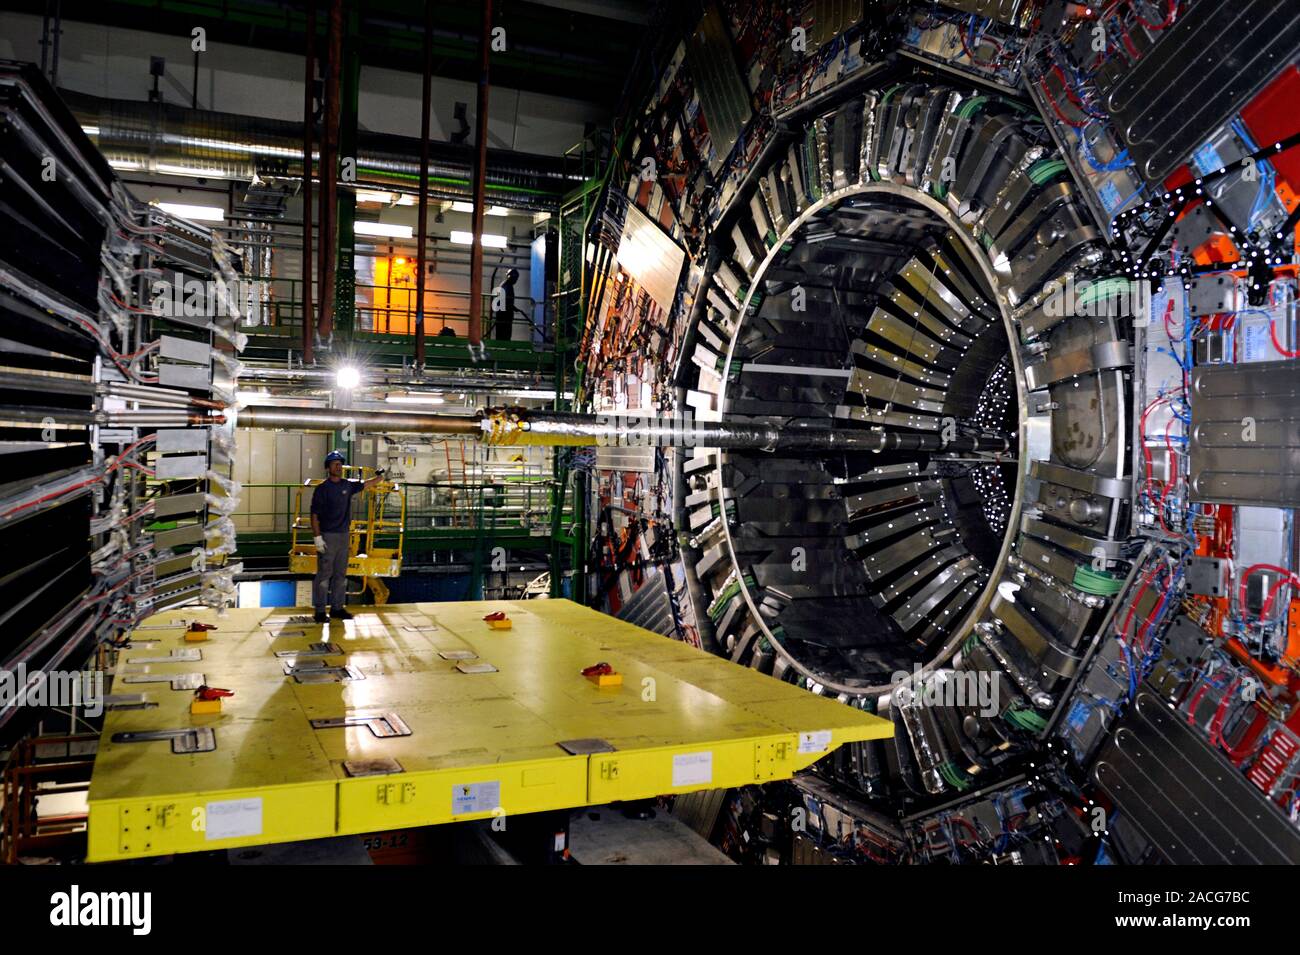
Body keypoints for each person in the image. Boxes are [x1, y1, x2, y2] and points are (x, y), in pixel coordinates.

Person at [310, 450, 385, 623]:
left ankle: (337, 608)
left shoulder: (347, 485)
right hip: (327, 536)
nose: (339, 466)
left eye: (340, 464)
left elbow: (365, 484)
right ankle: (320, 611)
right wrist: (317, 537)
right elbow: (314, 515)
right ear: (328, 467)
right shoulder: (322, 489)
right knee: (324, 576)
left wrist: (380, 478)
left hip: (344, 536)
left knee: (340, 575)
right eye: (335, 464)